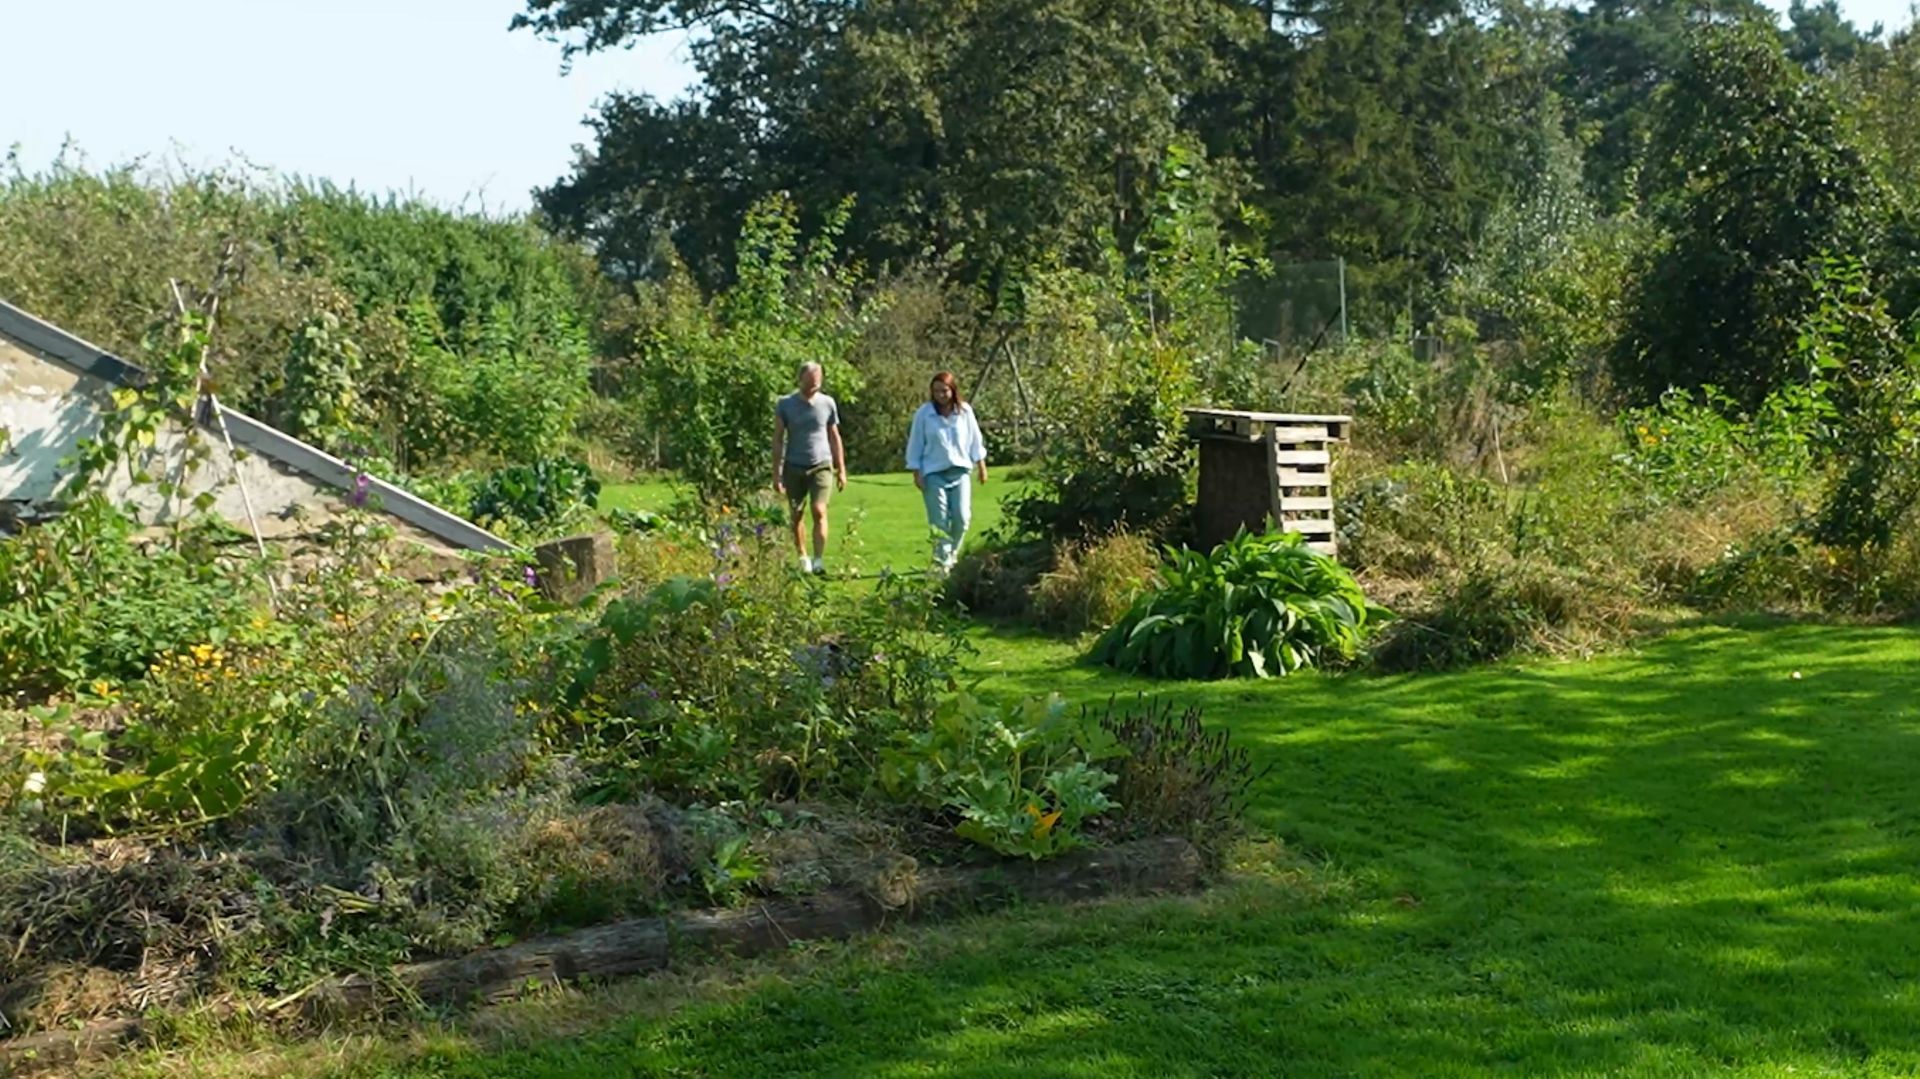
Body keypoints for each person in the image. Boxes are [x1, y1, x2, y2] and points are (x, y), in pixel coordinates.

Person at [904, 371, 988, 572]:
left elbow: (975, 440)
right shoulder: (924, 414)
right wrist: (916, 471)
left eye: (944, 390)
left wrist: (981, 466)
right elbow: (915, 443)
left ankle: (951, 554)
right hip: (933, 473)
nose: (940, 395)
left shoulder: (965, 412)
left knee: (962, 517)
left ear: (953, 390)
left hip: (960, 471)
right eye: (936, 391)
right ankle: (942, 564)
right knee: (939, 520)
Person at [773, 361, 847, 574]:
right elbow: (778, 439)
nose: (815, 386)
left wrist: (840, 468)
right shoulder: (785, 404)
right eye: (811, 383)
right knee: (796, 514)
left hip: (821, 465)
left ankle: (818, 559)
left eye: (818, 383)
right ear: (801, 379)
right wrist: (776, 474)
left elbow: (834, 437)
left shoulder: (827, 403)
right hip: (794, 466)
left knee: (819, 509)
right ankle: (802, 556)